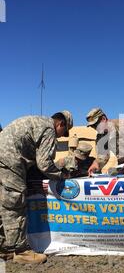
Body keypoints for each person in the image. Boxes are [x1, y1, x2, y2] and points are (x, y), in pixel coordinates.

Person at [0, 111, 73, 264]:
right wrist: (61, 176)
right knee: (15, 203)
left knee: (4, 202)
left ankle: (5, 247)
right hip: (10, 160)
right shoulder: (49, 130)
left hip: (5, 157)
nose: (60, 137)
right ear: (60, 124)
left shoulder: (37, 122)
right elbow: (44, 164)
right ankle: (21, 252)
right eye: (63, 133)